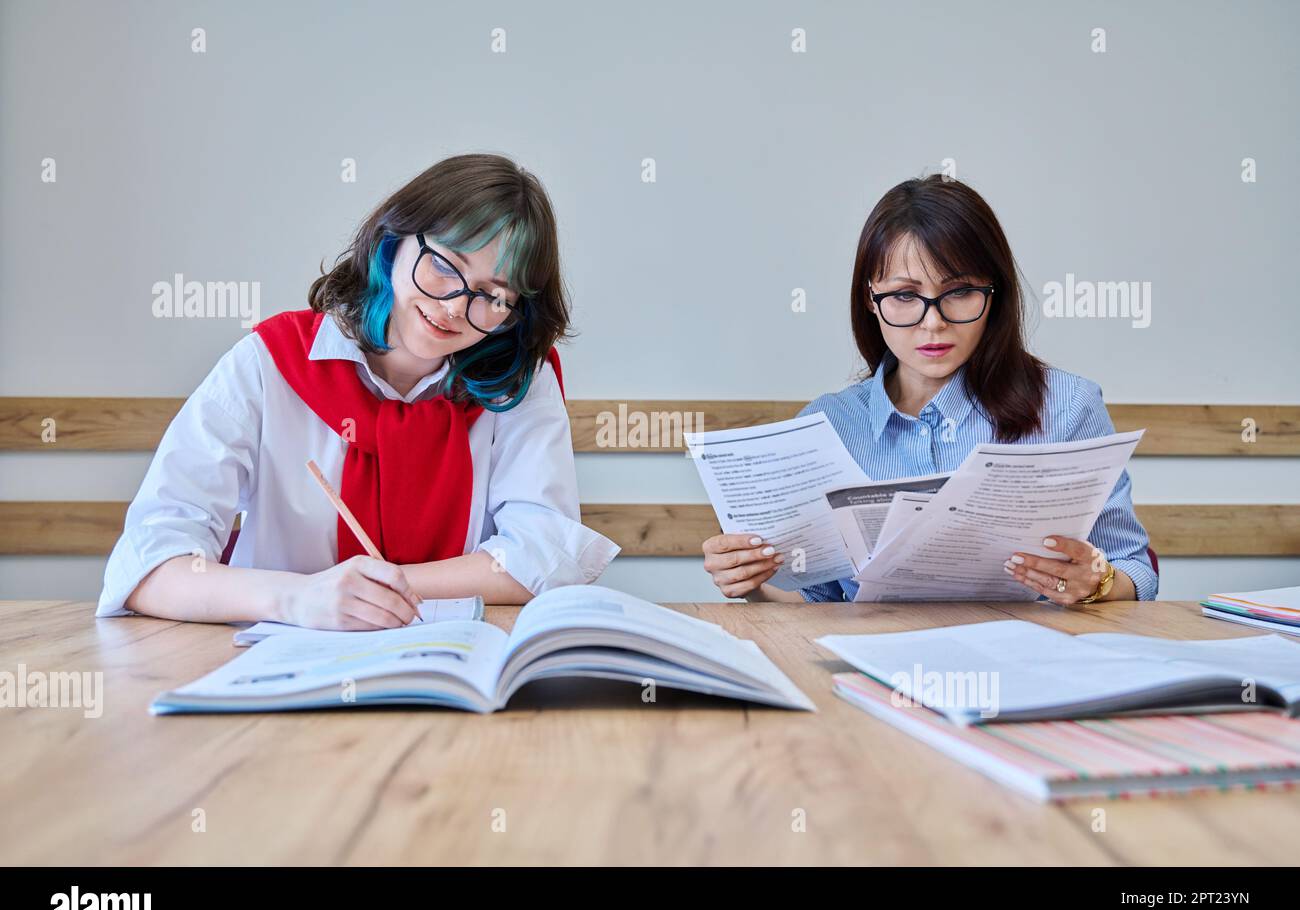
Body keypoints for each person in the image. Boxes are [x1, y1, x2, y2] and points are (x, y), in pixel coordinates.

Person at [99, 153, 618, 629]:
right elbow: (150, 564)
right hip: (275, 672)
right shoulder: (270, 363)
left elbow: (545, 555)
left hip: (449, 667)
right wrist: (299, 598)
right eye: (444, 266)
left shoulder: (516, 381)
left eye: (492, 295)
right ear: (394, 240)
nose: (457, 307)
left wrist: (380, 590)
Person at [703, 174, 1156, 605]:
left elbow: (1135, 570)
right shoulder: (827, 426)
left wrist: (1099, 581)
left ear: (994, 294)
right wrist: (751, 583)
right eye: (904, 295)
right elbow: (816, 601)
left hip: (1025, 665)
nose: (933, 322)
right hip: (872, 665)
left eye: (958, 291)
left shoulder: (1067, 406)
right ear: (870, 299)